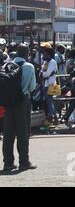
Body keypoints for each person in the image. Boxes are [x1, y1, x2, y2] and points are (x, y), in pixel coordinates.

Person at [3, 44, 37, 172]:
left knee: (8, 133)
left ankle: (8, 163)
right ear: (27, 53)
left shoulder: (7, 65)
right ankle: (24, 162)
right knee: (23, 132)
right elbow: (32, 87)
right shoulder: (29, 66)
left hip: (7, 102)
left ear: (17, 53)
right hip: (22, 101)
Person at [40, 44, 58, 124]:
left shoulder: (52, 62)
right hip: (46, 84)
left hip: (52, 84)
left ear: (49, 55)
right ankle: (54, 117)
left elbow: (46, 74)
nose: (44, 55)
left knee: (50, 102)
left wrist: (43, 74)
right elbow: (41, 72)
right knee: (48, 102)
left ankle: (52, 118)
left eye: (45, 54)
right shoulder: (45, 62)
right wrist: (43, 74)